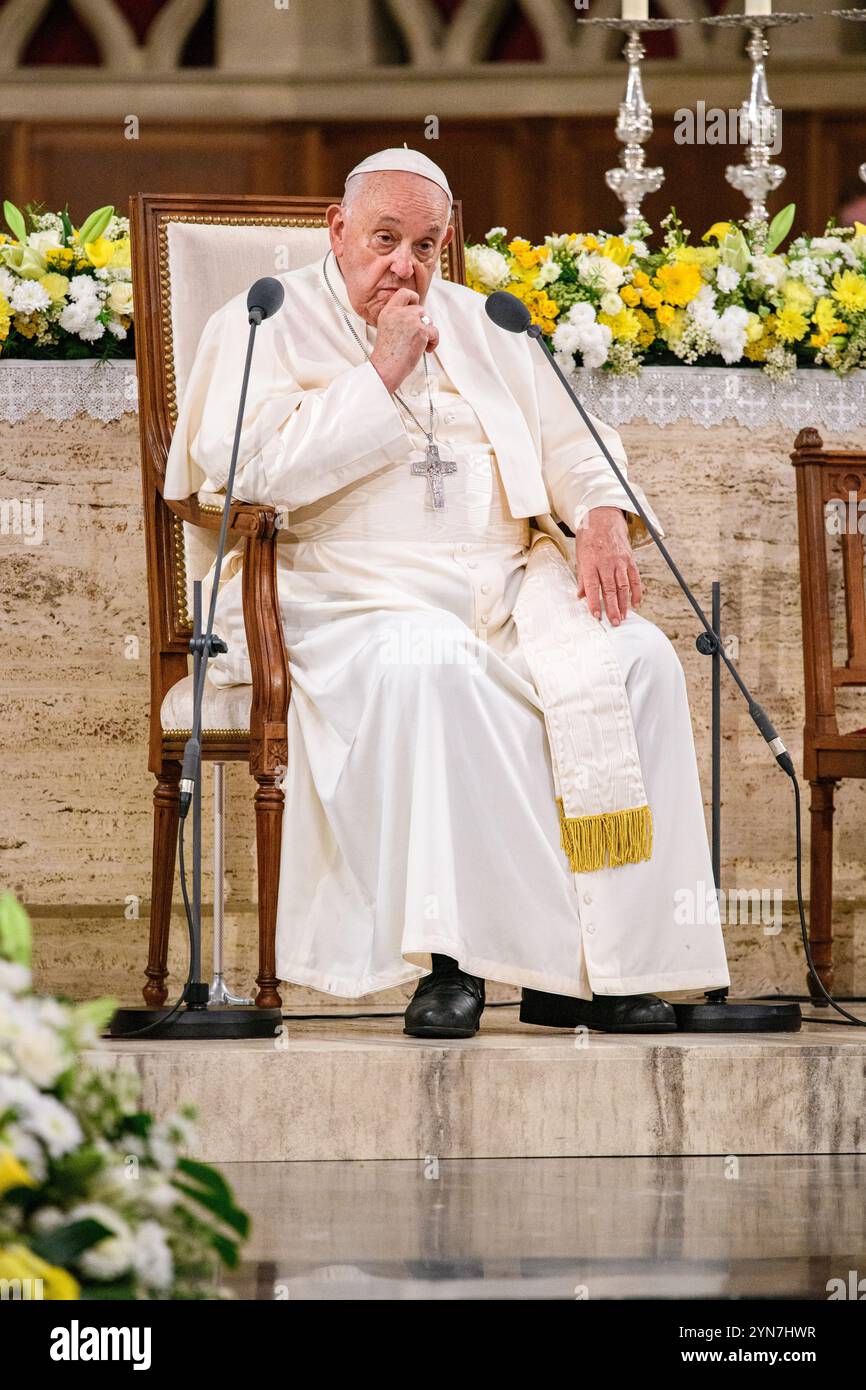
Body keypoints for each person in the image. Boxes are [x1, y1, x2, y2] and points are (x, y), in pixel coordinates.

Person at [164, 147, 730, 1039]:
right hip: (343, 591)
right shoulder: (262, 320)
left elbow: (573, 441)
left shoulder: (482, 322)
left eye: (425, 246)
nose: (406, 265)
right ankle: (452, 964)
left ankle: (609, 969)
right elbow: (246, 476)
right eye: (385, 239)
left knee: (640, 659)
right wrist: (380, 375)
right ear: (336, 227)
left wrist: (604, 513)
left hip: (505, 591)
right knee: (438, 668)